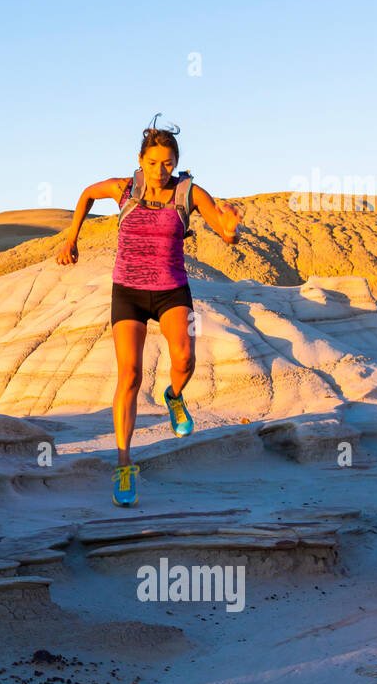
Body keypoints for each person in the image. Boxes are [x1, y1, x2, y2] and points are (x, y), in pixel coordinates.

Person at [54, 115, 243, 506]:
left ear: (176, 162)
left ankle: (174, 395)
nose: (161, 170)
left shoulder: (189, 192)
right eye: (153, 162)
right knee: (130, 375)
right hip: (128, 291)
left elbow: (225, 233)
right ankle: (125, 465)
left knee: (186, 359)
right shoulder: (124, 188)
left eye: (168, 163)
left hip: (172, 289)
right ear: (141, 160)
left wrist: (233, 226)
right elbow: (87, 193)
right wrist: (72, 238)